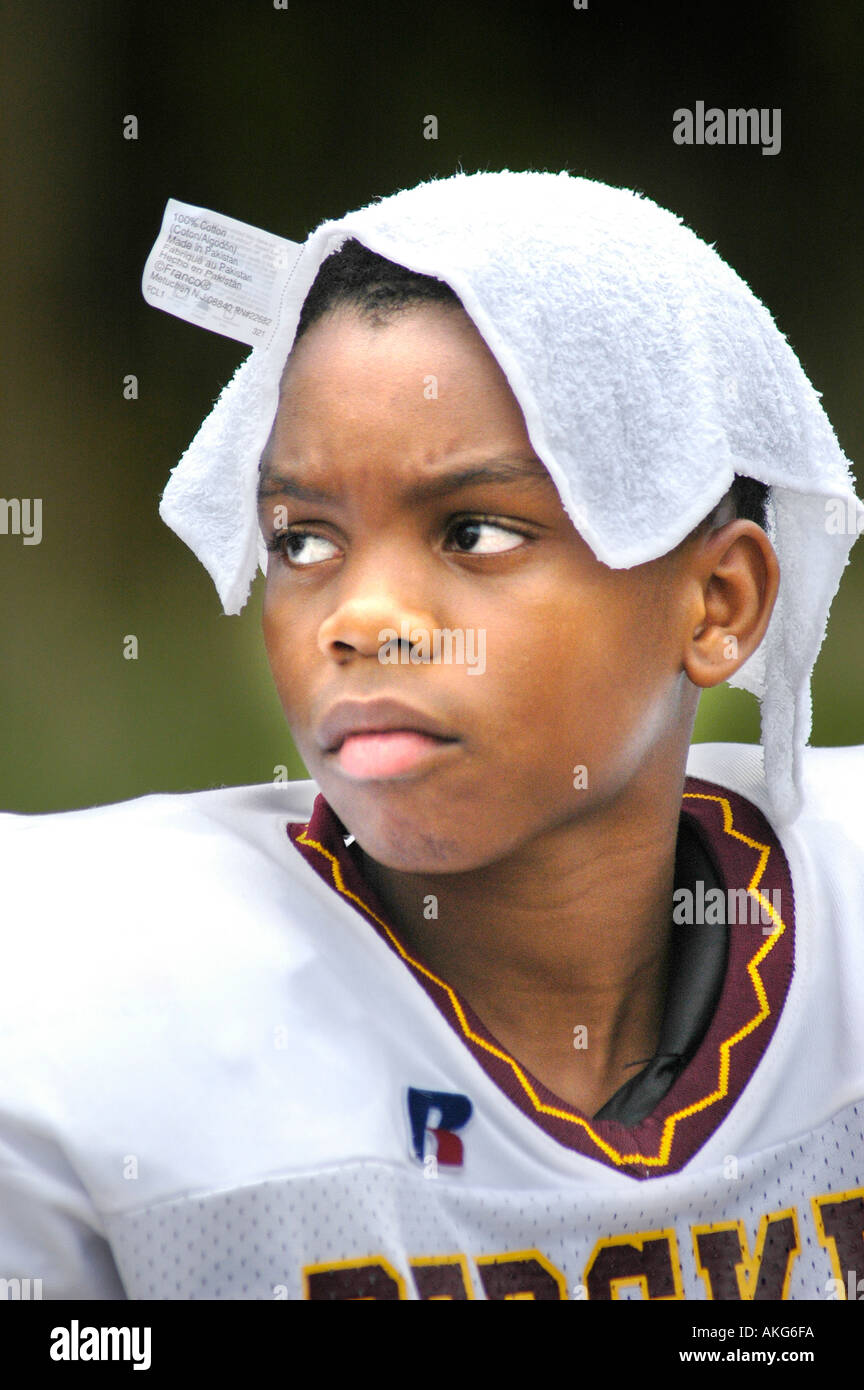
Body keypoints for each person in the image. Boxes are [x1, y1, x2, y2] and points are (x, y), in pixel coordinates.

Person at [1, 171, 862, 1302]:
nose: (360, 620)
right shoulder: (85, 998)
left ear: (720, 603)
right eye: (303, 540)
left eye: (473, 530)